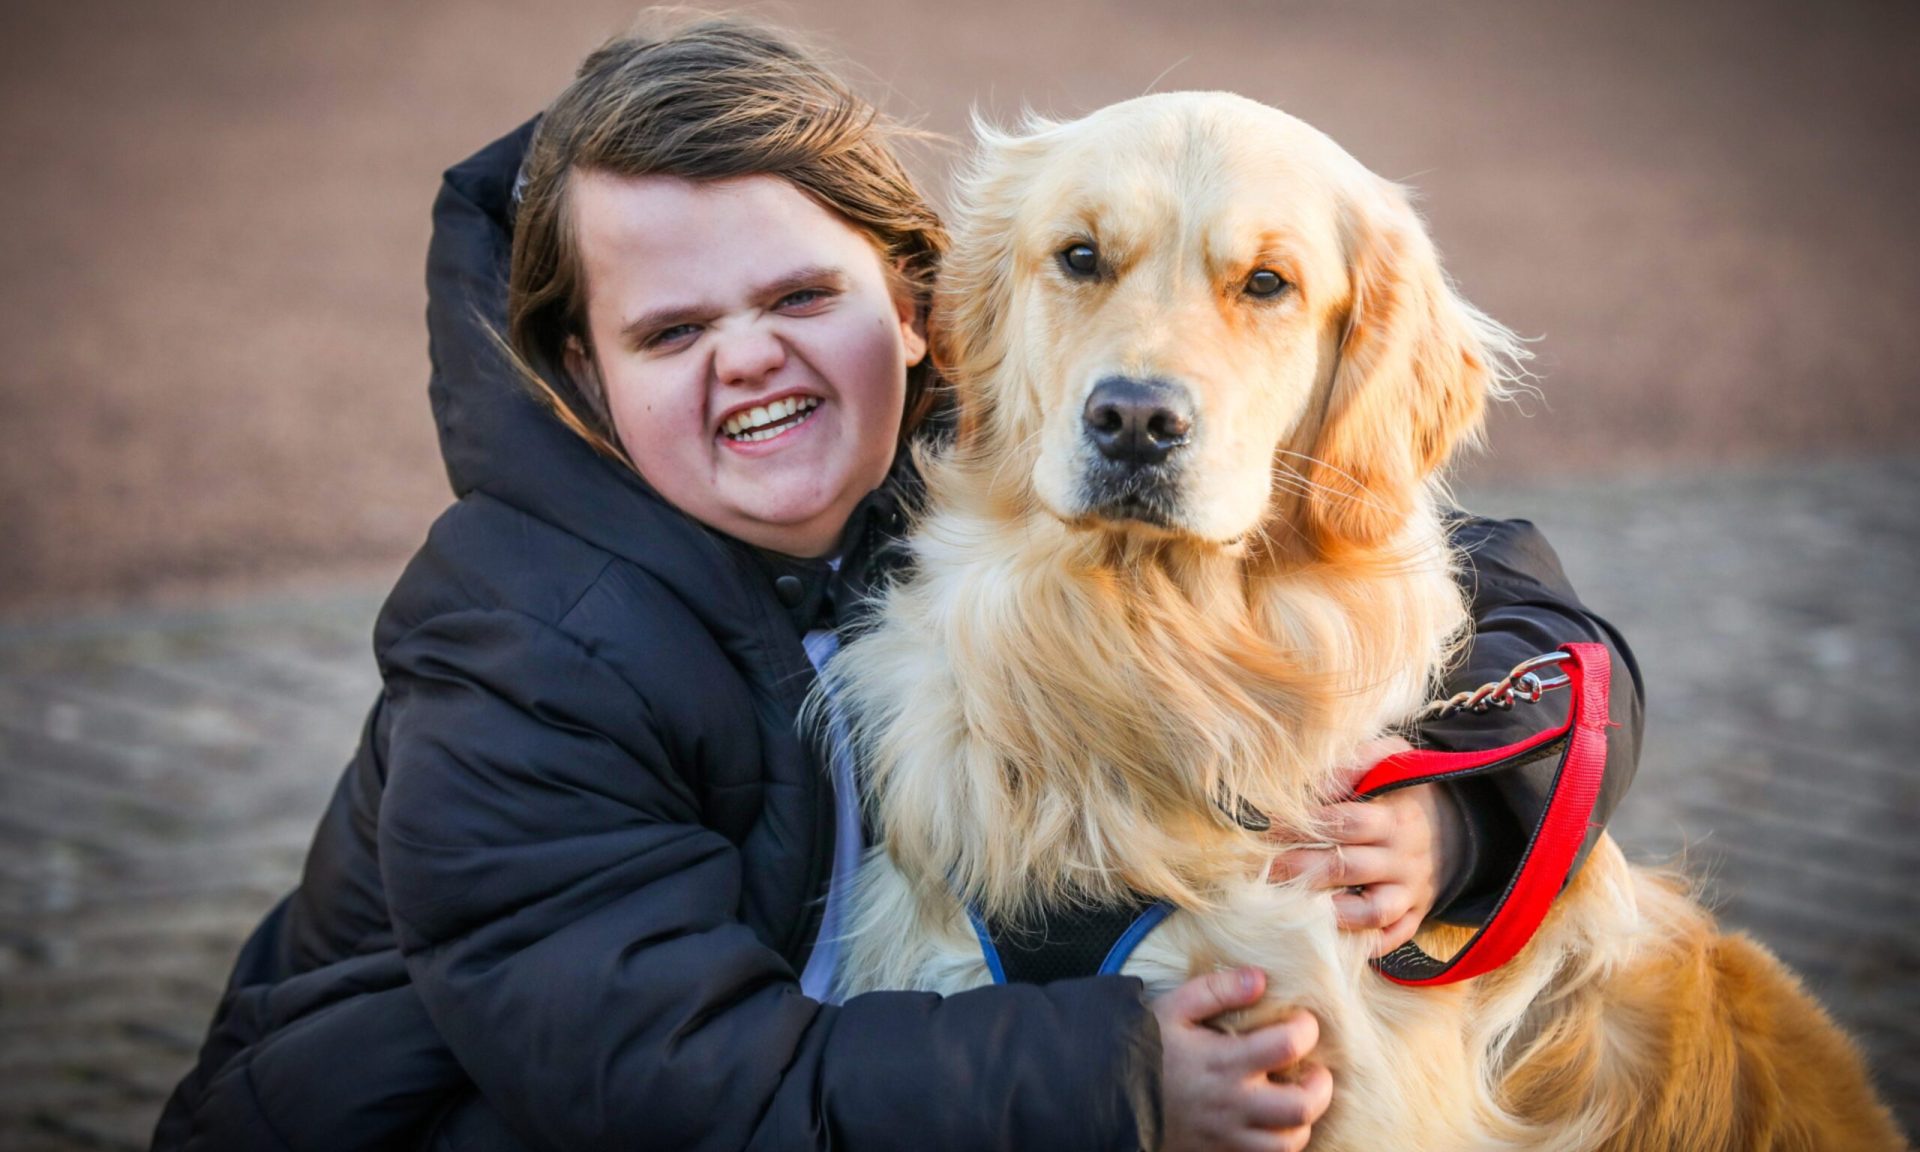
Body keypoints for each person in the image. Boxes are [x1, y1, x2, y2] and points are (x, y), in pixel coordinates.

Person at [153, 17, 1643, 1152]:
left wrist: (1466, 802)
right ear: (578, 376)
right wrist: (1114, 1076)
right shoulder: (523, 649)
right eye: (672, 332)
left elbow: (1488, 581)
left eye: (803, 297)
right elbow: (672, 1081)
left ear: (923, 315)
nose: (754, 358)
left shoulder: (941, 445)